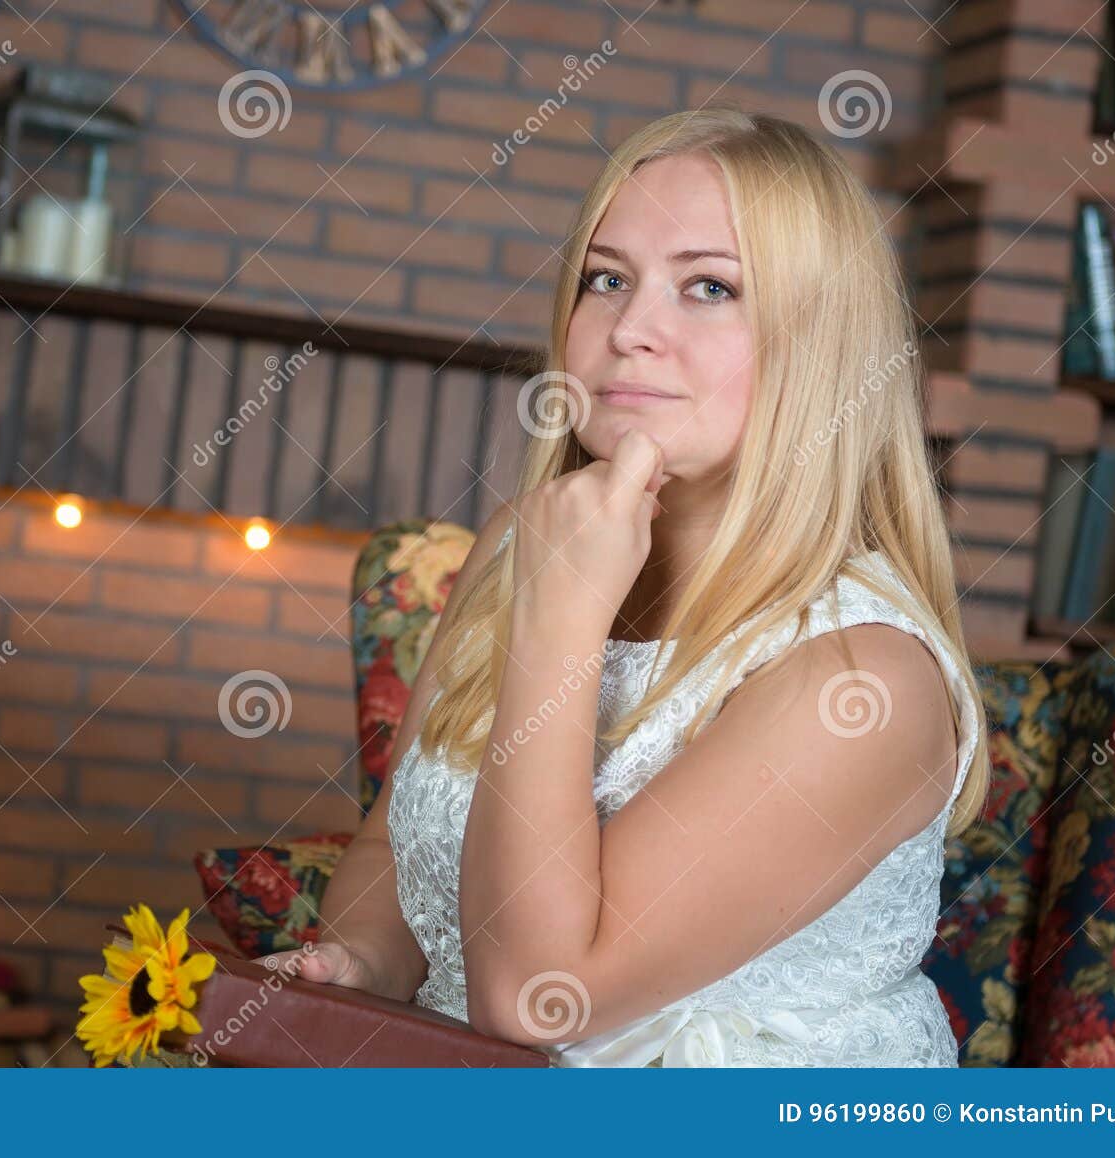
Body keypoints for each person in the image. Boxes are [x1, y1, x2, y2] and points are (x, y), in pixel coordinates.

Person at [257, 106, 988, 1067]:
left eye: (710, 287)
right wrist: (363, 965)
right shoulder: (524, 540)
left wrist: (560, 617)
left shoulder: (864, 679)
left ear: (823, 344)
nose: (630, 329)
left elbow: (538, 1003)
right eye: (607, 279)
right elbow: (394, 849)